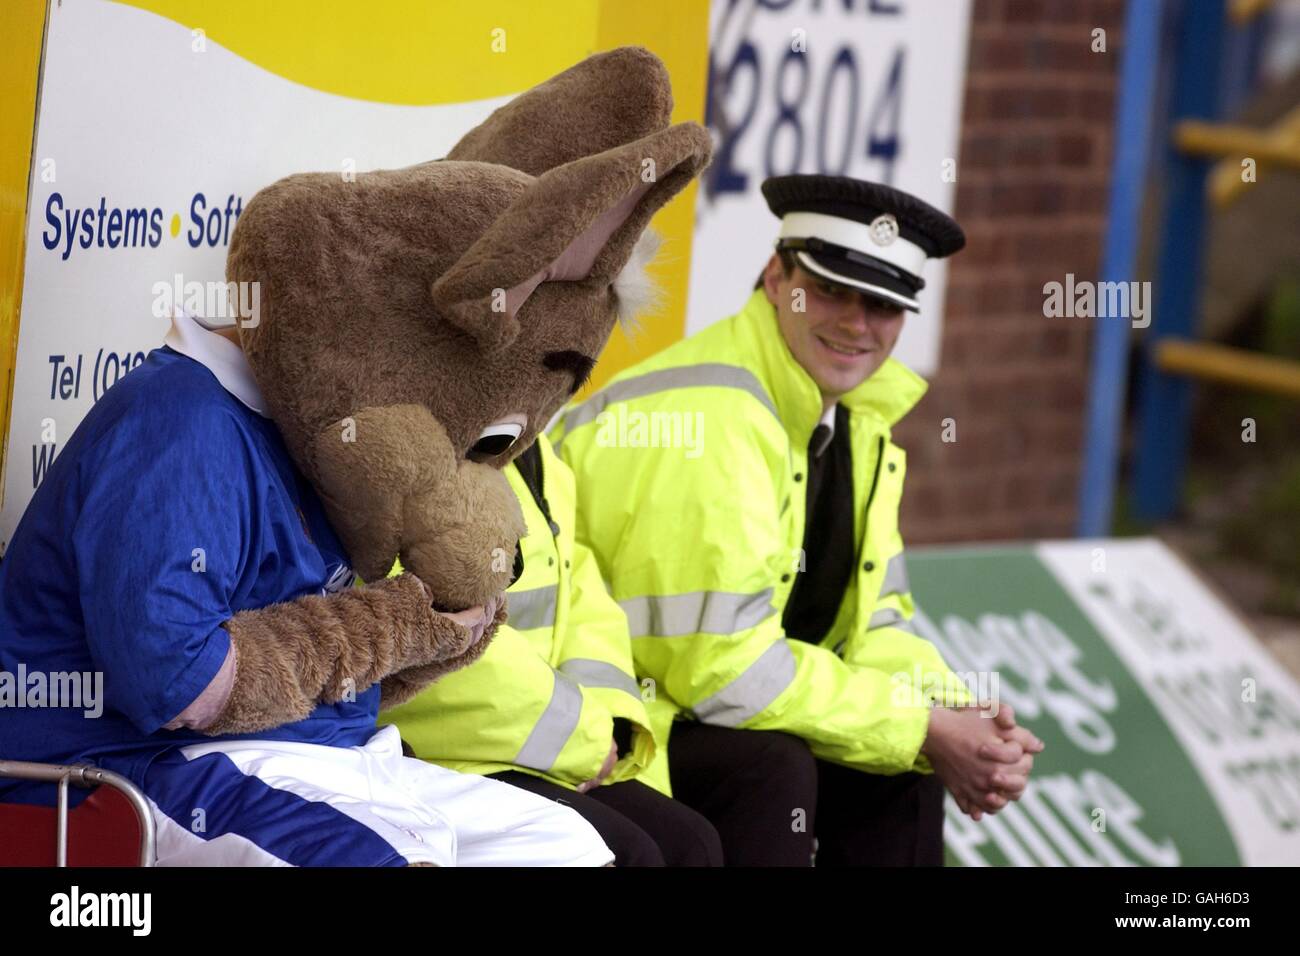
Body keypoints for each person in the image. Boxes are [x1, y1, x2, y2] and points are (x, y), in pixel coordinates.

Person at [0, 310, 612, 867]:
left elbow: (332, 678)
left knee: (565, 848)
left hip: (320, 753)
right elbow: (176, 684)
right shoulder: (183, 419)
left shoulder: (323, 435)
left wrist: (446, 632)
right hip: (127, 767)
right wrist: (398, 625)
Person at [554, 175, 1044, 866]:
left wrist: (953, 713)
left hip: (696, 713)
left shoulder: (853, 417)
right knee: (776, 766)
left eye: (882, 303)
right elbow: (726, 676)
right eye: (831, 289)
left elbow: (876, 624)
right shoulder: (712, 419)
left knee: (900, 767)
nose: (854, 322)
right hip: (609, 732)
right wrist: (919, 726)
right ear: (775, 274)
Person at [383, 434, 723, 866]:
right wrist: (584, 736)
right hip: (450, 749)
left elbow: (577, 591)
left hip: (546, 739)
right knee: (633, 852)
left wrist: (611, 722)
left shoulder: (536, 444)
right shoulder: (414, 441)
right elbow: (433, 624)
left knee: (691, 841)